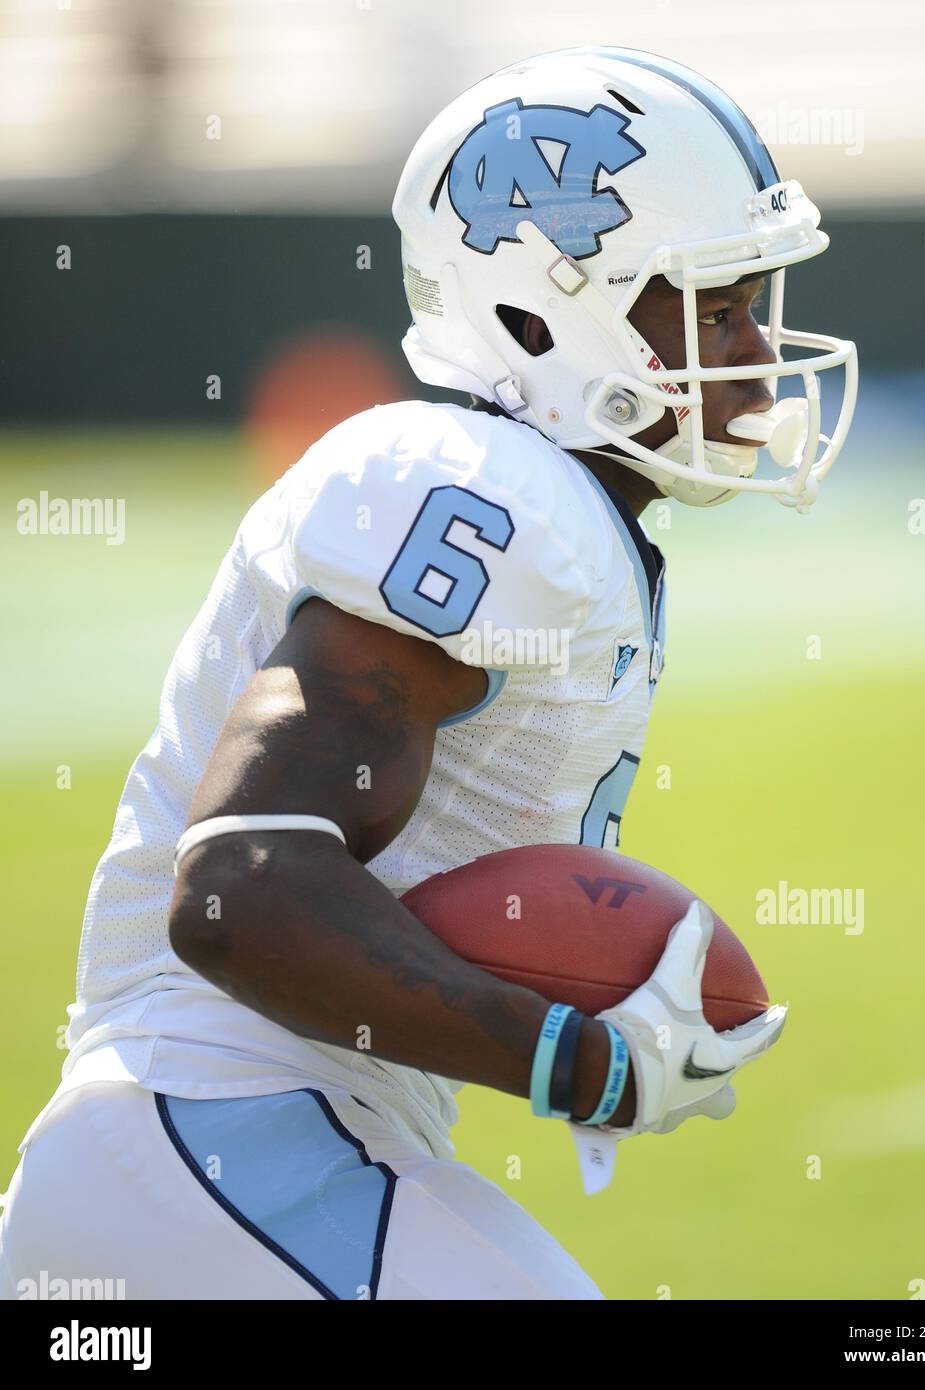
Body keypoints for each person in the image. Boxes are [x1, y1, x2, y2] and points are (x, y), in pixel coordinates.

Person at [0, 45, 856, 1301]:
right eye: (718, 308)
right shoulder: (483, 496)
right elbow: (244, 884)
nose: (762, 361)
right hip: (206, 1131)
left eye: (757, 306)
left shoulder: (563, 515)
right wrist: (585, 1061)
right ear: (543, 312)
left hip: (253, 1144)